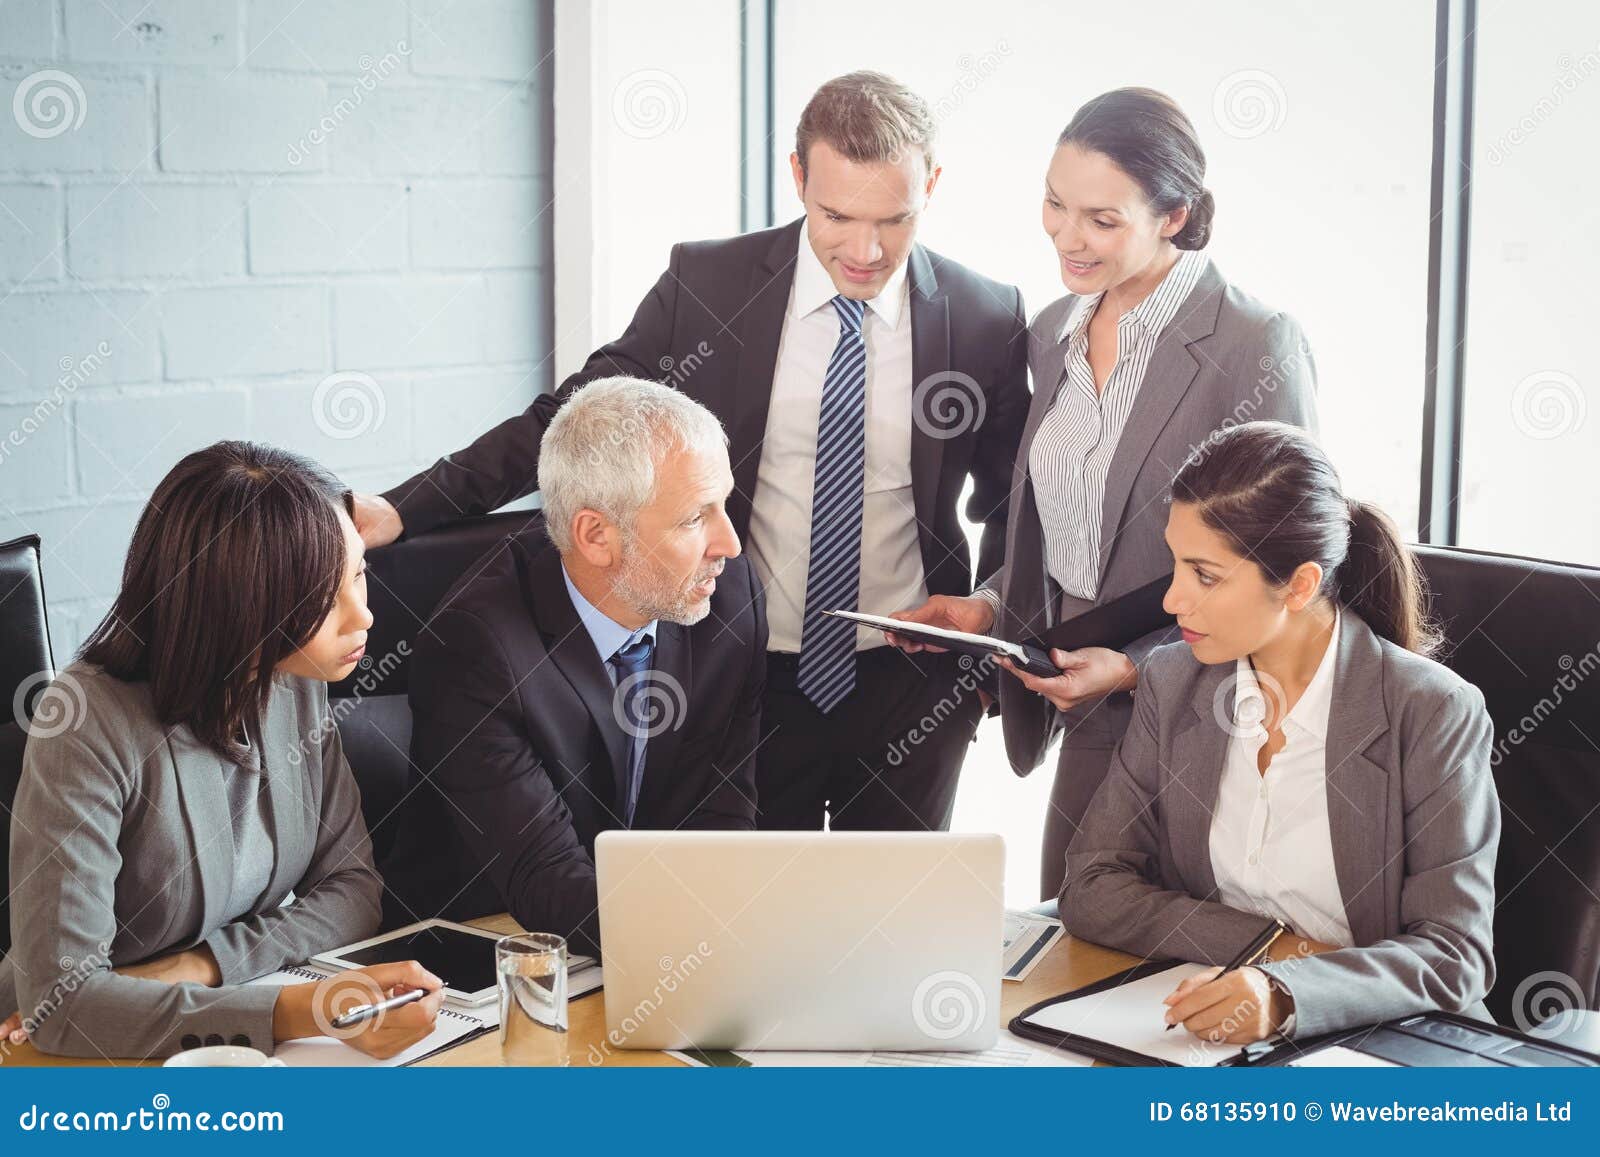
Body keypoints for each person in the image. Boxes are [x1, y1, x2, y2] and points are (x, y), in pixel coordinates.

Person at [354, 71, 1030, 833]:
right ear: (798, 176)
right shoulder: (709, 283)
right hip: (743, 676)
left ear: (931, 186)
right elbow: (573, 417)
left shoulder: (985, 316)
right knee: (753, 920)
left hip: (912, 684)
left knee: (897, 927)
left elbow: (1015, 504)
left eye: (894, 219)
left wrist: (987, 631)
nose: (866, 250)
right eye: (837, 215)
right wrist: (402, 506)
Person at [888, 88, 1318, 894]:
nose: (1068, 236)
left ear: (1175, 216)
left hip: (1211, 712)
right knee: (1077, 939)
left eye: (1102, 219)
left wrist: (1133, 668)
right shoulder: (1052, 332)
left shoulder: (1254, 343)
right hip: (1086, 707)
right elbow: (1059, 530)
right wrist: (986, 607)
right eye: (1055, 204)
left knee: (1192, 978)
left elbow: (1287, 567)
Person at [1059, 421, 1498, 1045]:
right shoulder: (1174, 681)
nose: (1172, 600)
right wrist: (1276, 953)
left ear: (1299, 585)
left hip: (1390, 1040)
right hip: (1212, 1024)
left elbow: (1455, 955)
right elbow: (1094, 886)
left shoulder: (1430, 711)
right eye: (1175, 565)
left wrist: (1290, 994)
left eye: (1205, 575)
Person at [0, 442, 443, 1060]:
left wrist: (202, 964)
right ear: (243, 602)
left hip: (214, 1035)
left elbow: (352, 891)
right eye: (325, 595)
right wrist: (307, 1009)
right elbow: (64, 1006)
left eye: (359, 574)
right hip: (69, 1057)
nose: (363, 616)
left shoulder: (294, 683)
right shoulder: (86, 723)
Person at [380, 378, 765, 956]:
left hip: (646, 942)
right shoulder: (477, 645)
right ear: (596, 536)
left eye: (724, 506)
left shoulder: (728, 595)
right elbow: (548, 881)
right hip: (486, 955)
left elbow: (725, 811)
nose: (730, 544)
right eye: (694, 519)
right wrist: (708, 943)